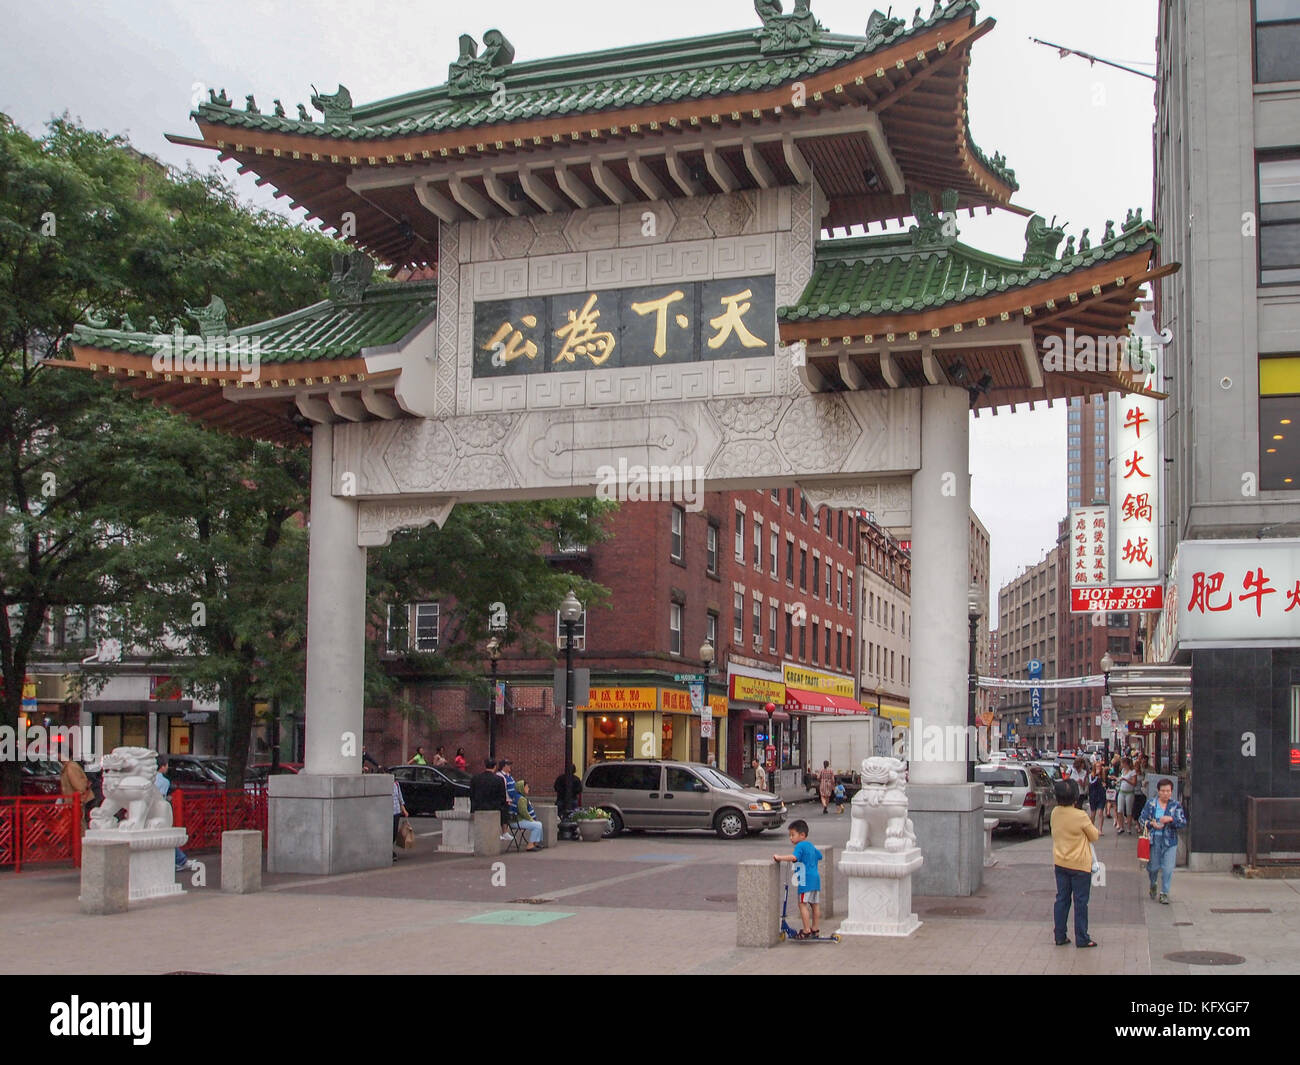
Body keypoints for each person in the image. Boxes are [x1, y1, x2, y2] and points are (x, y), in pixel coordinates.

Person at [1050, 779, 1100, 948]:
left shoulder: (1055, 812)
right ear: (1075, 797)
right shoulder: (1080, 816)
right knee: (1080, 902)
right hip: (1080, 865)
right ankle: (1082, 938)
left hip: (1060, 862)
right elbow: (1094, 836)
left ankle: (1060, 935)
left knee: (1062, 899)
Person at [773, 819, 823, 939]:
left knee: (802, 904)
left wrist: (779, 857)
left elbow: (794, 857)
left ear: (802, 835)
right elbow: (819, 856)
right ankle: (815, 929)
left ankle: (806, 930)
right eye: (790, 835)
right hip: (816, 879)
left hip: (806, 880)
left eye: (793, 835)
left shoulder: (800, 845)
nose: (791, 838)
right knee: (815, 905)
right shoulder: (810, 845)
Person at [1139, 779, 1187, 904]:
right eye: (1163, 791)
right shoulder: (1151, 804)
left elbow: (1182, 822)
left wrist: (1170, 819)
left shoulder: (1175, 805)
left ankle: (1164, 893)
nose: (1166, 793)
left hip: (1170, 841)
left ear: (1171, 792)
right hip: (1154, 840)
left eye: (1168, 791)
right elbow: (1142, 819)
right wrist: (1151, 824)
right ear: (1158, 791)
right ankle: (1153, 883)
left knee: (1168, 868)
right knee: (1153, 867)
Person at [154, 758, 189, 872]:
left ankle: (178, 859)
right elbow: (161, 797)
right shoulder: (164, 781)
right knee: (166, 836)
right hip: (160, 812)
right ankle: (181, 860)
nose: (167, 767)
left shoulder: (148, 779)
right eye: (167, 765)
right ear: (163, 767)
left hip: (149, 811)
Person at [469, 757, 509, 837]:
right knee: (505, 808)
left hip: (478, 807)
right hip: (494, 808)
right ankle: (504, 832)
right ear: (495, 767)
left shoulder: (475, 778)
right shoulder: (499, 779)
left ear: (485, 766)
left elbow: (472, 794)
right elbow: (502, 797)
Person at [59, 751, 93, 826]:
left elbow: (80, 787)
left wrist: (78, 800)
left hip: (76, 802)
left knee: (77, 825)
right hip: (74, 802)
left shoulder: (70, 767)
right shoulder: (69, 766)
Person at [511, 780, 545, 851]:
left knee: (538, 824)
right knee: (537, 825)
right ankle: (530, 845)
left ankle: (535, 843)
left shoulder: (516, 797)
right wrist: (531, 820)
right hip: (517, 821)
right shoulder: (521, 799)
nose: (528, 789)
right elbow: (524, 813)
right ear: (522, 788)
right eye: (527, 787)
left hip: (515, 820)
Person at [1115, 757, 1138, 834]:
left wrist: (1125, 779)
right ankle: (1121, 827)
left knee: (1128, 810)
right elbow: (1120, 779)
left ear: (1126, 764)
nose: (1121, 765)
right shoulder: (1123, 770)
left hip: (1129, 793)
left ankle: (1129, 828)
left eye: (1122, 763)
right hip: (1122, 791)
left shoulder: (1132, 772)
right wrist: (1117, 779)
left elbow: (1134, 783)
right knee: (1119, 810)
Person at [1088, 761, 1107, 836]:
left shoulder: (1103, 776)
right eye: (1097, 766)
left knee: (1100, 812)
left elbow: (1106, 784)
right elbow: (1091, 783)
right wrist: (1096, 775)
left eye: (1099, 766)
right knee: (1093, 813)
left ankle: (1100, 829)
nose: (1098, 768)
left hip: (1101, 795)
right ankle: (1092, 828)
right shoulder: (1091, 775)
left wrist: (1105, 785)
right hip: (1093, 796)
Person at [392, 777, 409, 861]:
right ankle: (390, 851)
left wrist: (404, 810)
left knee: (394, 833)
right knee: (389, 832)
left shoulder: (396, 784)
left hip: (396, 811)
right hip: (387, 812)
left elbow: (400, 798)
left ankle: (390, 849)